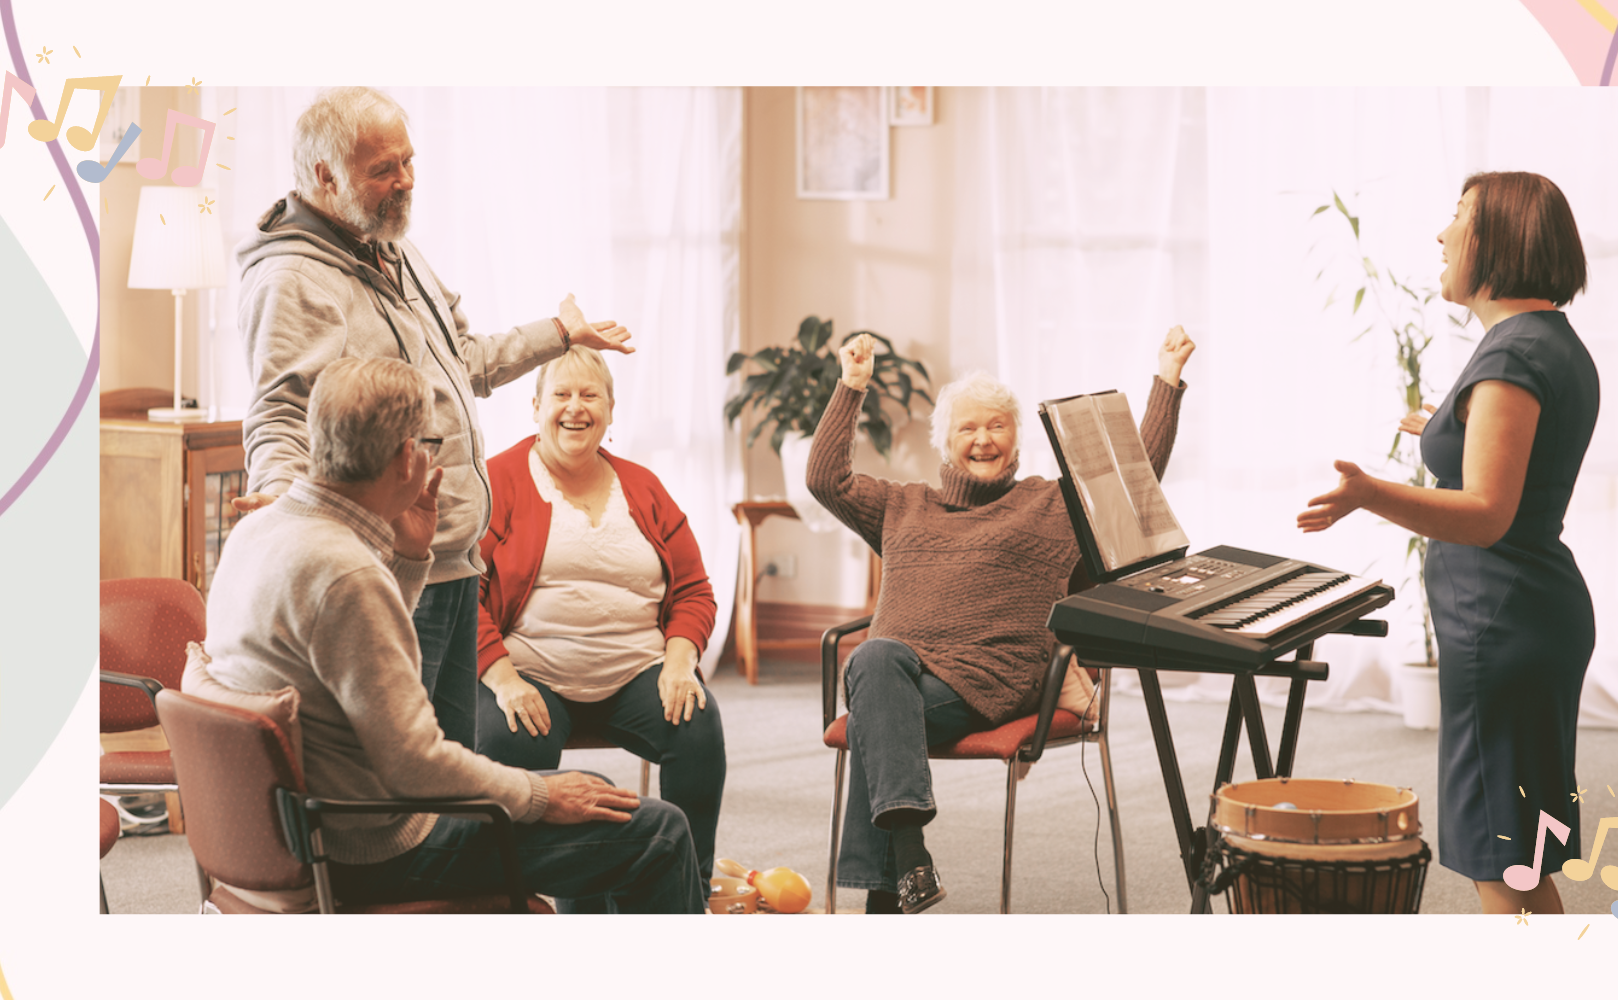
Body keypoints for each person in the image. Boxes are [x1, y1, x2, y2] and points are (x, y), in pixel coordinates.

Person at [201, 356, 702, 912]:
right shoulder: (346, 572)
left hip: (290, 833)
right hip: (373, 851)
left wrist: (411, 561)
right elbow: (417, 764)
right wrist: (539, 794)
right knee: (659, 830)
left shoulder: (260, 530)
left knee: (589, 790)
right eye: (428, 444)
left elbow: (349, 649)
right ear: (406, 457)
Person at [234, 86, 633, 751]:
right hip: (390, 569)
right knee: (403, 768)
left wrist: (558, 334)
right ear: (326, 176)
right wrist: (282, 501)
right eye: (383, 169)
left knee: (452, 764)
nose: (405, 181)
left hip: (452, 558)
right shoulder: (294, 279)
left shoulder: (392, 249)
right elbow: (281, 409)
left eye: (409, 162)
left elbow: (463, 362)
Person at [810, 327, 1196, 913]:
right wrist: (851, 387)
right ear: (945, 444)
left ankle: (888, 893)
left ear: (1017, 439)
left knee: (873, 705)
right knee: (874, 658)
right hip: (898, 677)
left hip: (990, 682)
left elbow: (1129, 481)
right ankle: (910, 860)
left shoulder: (1051, 505)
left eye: (997, 426)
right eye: (968, 427)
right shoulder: (901, 505)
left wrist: (1166, 381)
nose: (983, 439)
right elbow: (825, 480)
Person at [1297, 171, 1599, 916]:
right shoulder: (1545, 342)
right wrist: (1450, 427)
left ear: (1497, 239)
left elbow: (1488, 513)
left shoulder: (1511, 355)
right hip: (1526, 615)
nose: (1441, 235)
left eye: (1458, 217)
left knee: (1502, 860)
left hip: (1501, 624)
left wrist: (1371, 494)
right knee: (1518, 855)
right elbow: (1516, 469)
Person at [474, 346, 725, 904]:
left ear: (611, 410)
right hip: (532, 671)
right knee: (507, 740)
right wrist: (502, 677)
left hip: (635, 670)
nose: (575, 408)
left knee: (698, 727)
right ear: (535, 406)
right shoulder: (499, 481)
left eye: (590, 395)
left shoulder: (643, 486)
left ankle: (689, 888)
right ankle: (540, 889)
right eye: (561, 394)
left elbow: (692, 588)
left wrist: (681, 661)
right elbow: (466, 595)